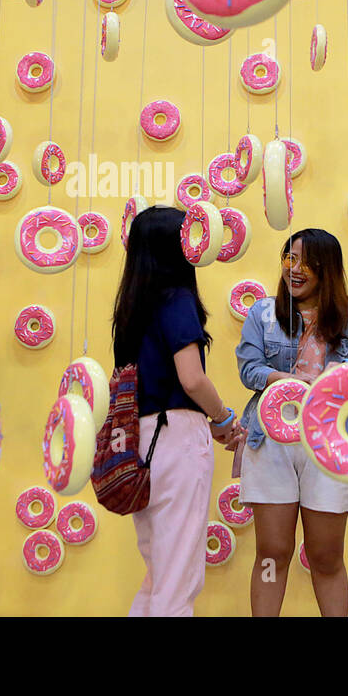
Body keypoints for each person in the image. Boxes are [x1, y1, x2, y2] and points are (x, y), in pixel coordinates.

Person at [235, 228, 348, 617]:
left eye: (307, 263)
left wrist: (338, 375)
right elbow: (250, 370)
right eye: (289, 259)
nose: (295, 270)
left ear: (326, 269)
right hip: (271, 442)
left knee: (326, 557)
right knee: (271, 553)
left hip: (331, 443)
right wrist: (285, 381)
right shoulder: (262, 313)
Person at [111, 205, 244, 616]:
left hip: (140, 440)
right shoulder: (177, 298)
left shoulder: (130, 311)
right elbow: (192, 378)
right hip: (178, 436)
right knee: (179, 578)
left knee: (158, 574)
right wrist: (223, 419)